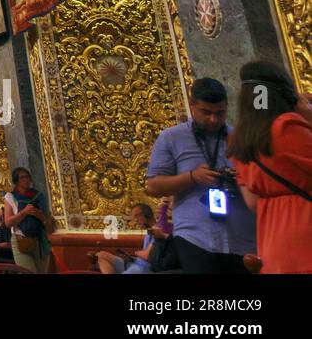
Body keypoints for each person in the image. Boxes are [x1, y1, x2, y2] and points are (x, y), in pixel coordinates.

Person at [146, 77, 256, 273]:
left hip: (243, 238)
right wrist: (192, 177)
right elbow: (153, 186)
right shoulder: (171, 137)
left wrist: (241, 177)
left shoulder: (241, 138)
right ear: (192, 105)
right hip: (195, 237)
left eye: (220, 113)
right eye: (206, 112)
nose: (213, 119)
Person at [230, 61, 312, 273]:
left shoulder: (239, 140)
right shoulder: (286, 126)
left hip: (273, 238)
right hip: (305, 232)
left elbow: (252, 202)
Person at [2, 168, 54, 272]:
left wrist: (41, 216)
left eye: (27, 177)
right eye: (22, 177)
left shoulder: (39, 197)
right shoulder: (11, 197)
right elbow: (8, 223)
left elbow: (49, 225)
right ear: (16, 181)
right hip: (21, 241)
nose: (26, 180)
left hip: (40, 241)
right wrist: (23, 212)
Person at [94, 203, 160, 274]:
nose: (135, 220)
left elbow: (147, 256)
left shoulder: (158, 231)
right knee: (100, 255)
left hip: (143, 269)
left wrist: (135, 253)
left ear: (147, 214)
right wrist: (130, 258)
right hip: (135, 263)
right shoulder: (148, 232)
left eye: (137, 216)